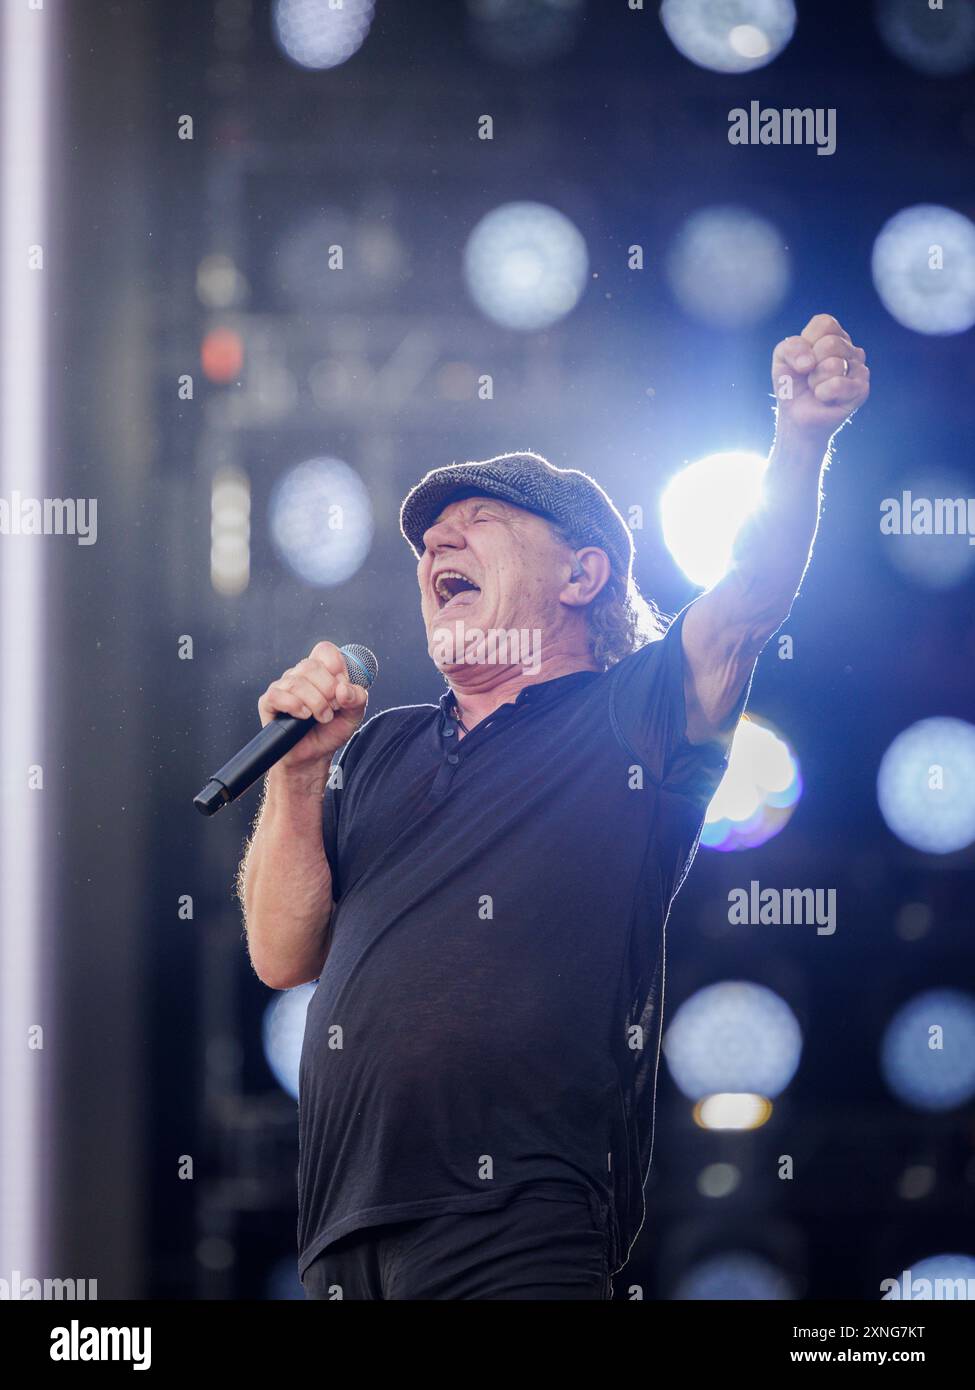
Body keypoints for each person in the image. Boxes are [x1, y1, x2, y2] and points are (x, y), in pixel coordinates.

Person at [238, 314, 870, 1300]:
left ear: (584, 573)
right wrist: (298, 772)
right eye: (430, 539)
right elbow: (283, 952)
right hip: (338, 1231)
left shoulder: (635, 714)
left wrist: (802, 436)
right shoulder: (389, 743)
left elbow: (748, 598)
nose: (439, 540)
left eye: (481, 520)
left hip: (516, 1225)